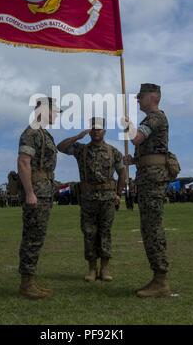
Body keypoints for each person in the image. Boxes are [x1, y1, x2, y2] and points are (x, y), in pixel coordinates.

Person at [57, 117, 126, 282]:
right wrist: (77, 137)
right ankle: (92, 269)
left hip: (108, 198)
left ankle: (105, 268)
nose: (96, 131)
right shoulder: (81, 150)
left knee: (105, 232)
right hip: (88, 198)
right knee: (89, 233)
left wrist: (118, 193)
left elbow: (122, 173)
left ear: (104, 131)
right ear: (90, 130)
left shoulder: (113, 151)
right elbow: (60, 147)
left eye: (99, 129)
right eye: (93, 129)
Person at [123, 83, 172, 297]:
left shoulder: (155, 117)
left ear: (153, 97)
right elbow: (150, 150)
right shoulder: (151, 118)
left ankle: (161, 281)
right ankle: (158, 278)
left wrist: (127, 126)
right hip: (148, 178)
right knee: (148, 228)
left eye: (140, 96)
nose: (137, 100)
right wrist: (134, 160)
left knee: (152, 228)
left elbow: (136, 138)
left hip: (152, 181)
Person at [18, 96, 62, 299]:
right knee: (32, 237)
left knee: (38, 236)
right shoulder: (32, 133)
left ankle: (31, 280)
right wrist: (29, 193)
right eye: (54, 111)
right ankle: (27, 284)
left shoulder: (44, 134)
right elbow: (23, 163)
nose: (56, 115)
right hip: (36, 192)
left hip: (44, 191)